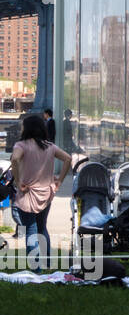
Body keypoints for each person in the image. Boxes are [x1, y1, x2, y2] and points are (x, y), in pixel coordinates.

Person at [10, 113, 72, 271]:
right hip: (46, 194)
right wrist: (59, 181)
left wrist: (18, 181)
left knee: (31, 230)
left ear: (27, 128)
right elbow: (68, 158)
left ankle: (36, 268)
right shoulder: (49, 146)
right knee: (42, 227)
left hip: (27, 194)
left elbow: (15, 159)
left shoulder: (21, 145)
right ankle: (47, 264)